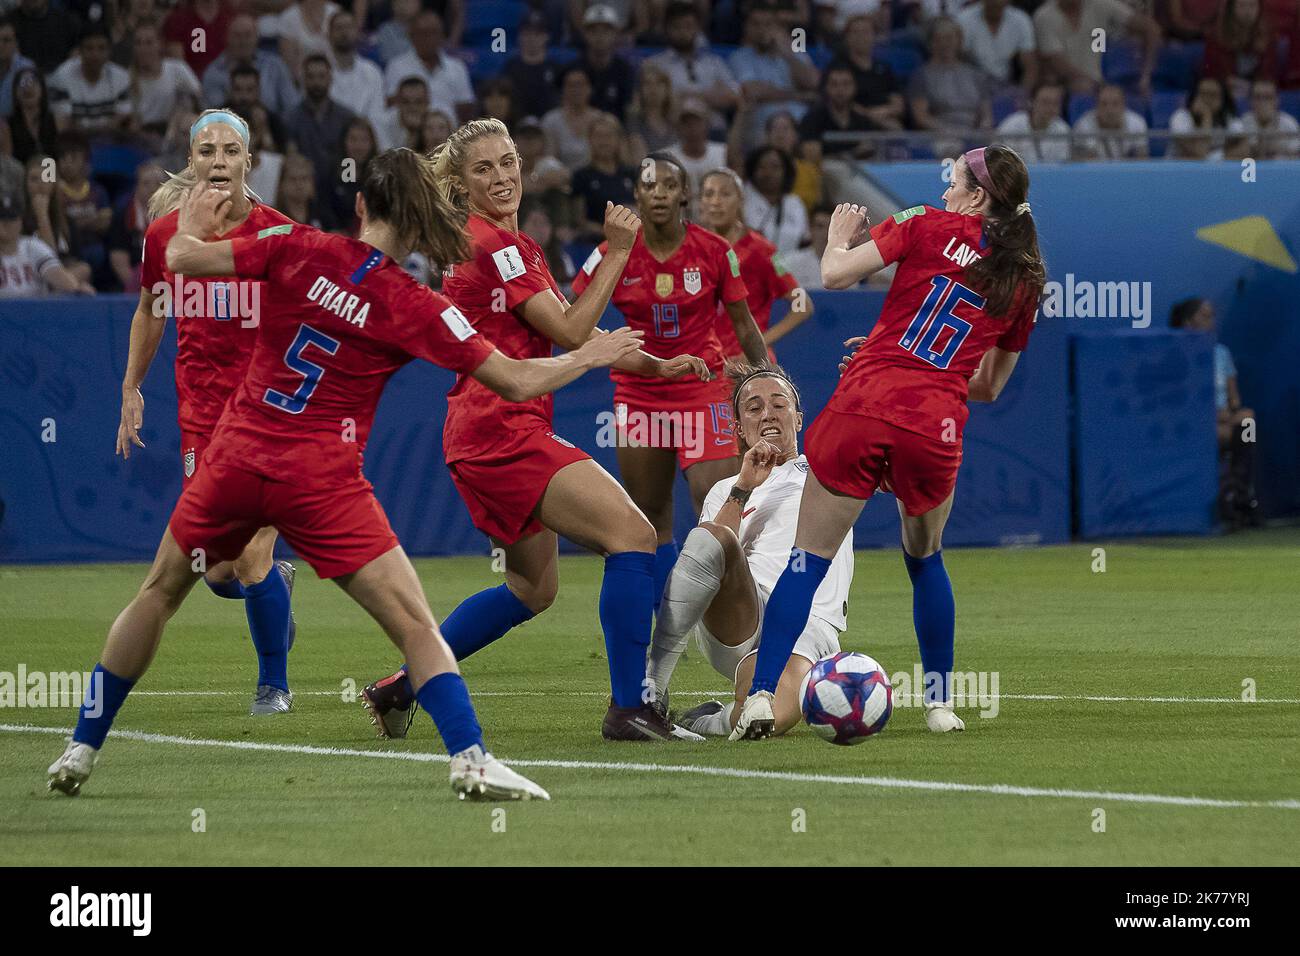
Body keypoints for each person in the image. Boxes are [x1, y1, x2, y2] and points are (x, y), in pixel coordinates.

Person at [45, 145, 647, 801]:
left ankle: (80, 748)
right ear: (419, 226)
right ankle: (471, 759)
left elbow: (182, 260)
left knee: (159, 592)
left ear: (360, 205)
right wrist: (594, 354)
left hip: (238, 455)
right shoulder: (417, 305)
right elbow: (517, 377)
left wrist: (190, 221)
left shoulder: (297, 243)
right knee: (415, 625)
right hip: (321, 476)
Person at [358, 120, 712, 743]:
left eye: (508, 162)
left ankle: (399, 689)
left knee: (532, 587)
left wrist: (655, 364)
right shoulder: (498, 246)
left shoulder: (500, 244)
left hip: (479, 433)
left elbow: (571, 332)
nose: (502, 177)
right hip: (502, 427)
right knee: (633, 533)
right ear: (462, 186)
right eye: (483, 169)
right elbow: (577, 334)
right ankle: (630, 707)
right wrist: (620, 251)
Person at [729, 145, 1044, 740]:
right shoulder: (1025, 279)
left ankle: (762, 698)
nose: (946, 191)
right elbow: (990, 386)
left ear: (977, 196)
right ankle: (941, 706)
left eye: (954, 183)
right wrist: (917, 368)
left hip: (864, 406)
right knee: (925, 559)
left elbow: (834, 276)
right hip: (934, 425)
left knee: (806, 561)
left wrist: (838, 236)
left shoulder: (923, 221)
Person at [120, 110, 299, 715]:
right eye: (206, 151)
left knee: (248, 554)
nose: (218, 161)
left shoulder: (279, 235)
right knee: (216, 565)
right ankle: (272, 584)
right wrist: (131, 388)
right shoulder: (165, 236)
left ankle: (273, 687)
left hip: (269, 414)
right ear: (192, 161)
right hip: (203, 417)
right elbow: (151, 309)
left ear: (250, 160)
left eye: (229, 150)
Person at [574, 152, 768, 619]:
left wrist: (765, 383)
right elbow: (571, 319)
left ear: (683, 194)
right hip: (639, 390)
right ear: (636, 195)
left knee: (717, 500)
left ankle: (739, 614)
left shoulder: (715, 250)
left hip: (701, 386)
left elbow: (743, 325)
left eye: (668, 185)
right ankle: (669, 624)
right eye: (648, 186)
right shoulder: (610, 253)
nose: (658, 193)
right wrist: (614, 352)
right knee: (649, 519)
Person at [649, 364, 854, 736]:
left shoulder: (829, 470)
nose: (769, 414)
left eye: (779, 404)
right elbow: (710, 552)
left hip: (811, 625)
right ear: (739, 428)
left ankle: (709, 719)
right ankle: (652, 687)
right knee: (717, 536)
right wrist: (744, 486)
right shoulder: (725, 488)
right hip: (742, 617)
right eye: (754, 408)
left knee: (768, 720)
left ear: (799, 419)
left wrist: (865, 382)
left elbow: (866, 433)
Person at [699, 167, 811, 361]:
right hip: (705, 366)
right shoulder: (692, 246)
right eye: (709, 194)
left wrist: (758, 344)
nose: (716, 202)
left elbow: (803, 305)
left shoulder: (761, 250)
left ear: (741, 200)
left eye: (725, 194)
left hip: (748, 365)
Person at [1169, 297, 1259, 528]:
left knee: (1248, 421)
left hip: (1226, 420)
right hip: (1197, 422)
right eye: (1205, 316)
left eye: (1213, 316)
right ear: (1188, 322)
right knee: (1227, 433)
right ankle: (1235, 497)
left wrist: (1230, 411)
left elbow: (1234, 397)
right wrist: (1210, 414)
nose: (1212, 321)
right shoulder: (1177, 353)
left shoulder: (1221, 353)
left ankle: (1235, 491)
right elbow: (1180, 399)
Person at [0, 187, 94, 296]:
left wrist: (75, 287)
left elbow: (55, 273)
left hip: (32, 311)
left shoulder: (32, 246)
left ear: (20, 221)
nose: (6, 224)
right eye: (1, 219)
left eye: (11, 219)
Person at [957, 0, 1039, 91]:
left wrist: (1021, 96)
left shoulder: (1021, 20)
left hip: (1007, 82)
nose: (995, 4)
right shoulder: (964, 19)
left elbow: (1030, 67)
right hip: (972, 83)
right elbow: (959, 60)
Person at [743, 145, 808, 253]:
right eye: (762, 166)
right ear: (752, 170)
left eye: (775, 167)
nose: (768, 173)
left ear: (785, 172)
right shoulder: (742, 201)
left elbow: (804, 241)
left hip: (791, 265)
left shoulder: (794, 203)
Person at [995, 80, 1071, 162]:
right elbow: (998, 158)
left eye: (1056, 103)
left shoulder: (1063, 130)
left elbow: (1062, 163)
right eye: (1045, 102)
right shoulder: (1012, 125)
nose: (1051, 108)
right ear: (1032, 102)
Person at [1072, 82, 1149, 159]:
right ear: (1096, 106)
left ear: (1123, 105)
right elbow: (1081, 163)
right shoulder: (1083, 126)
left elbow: (1142, 159)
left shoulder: (1137, 123)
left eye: (1115, 104)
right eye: (1104, 104)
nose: (1109, 110)